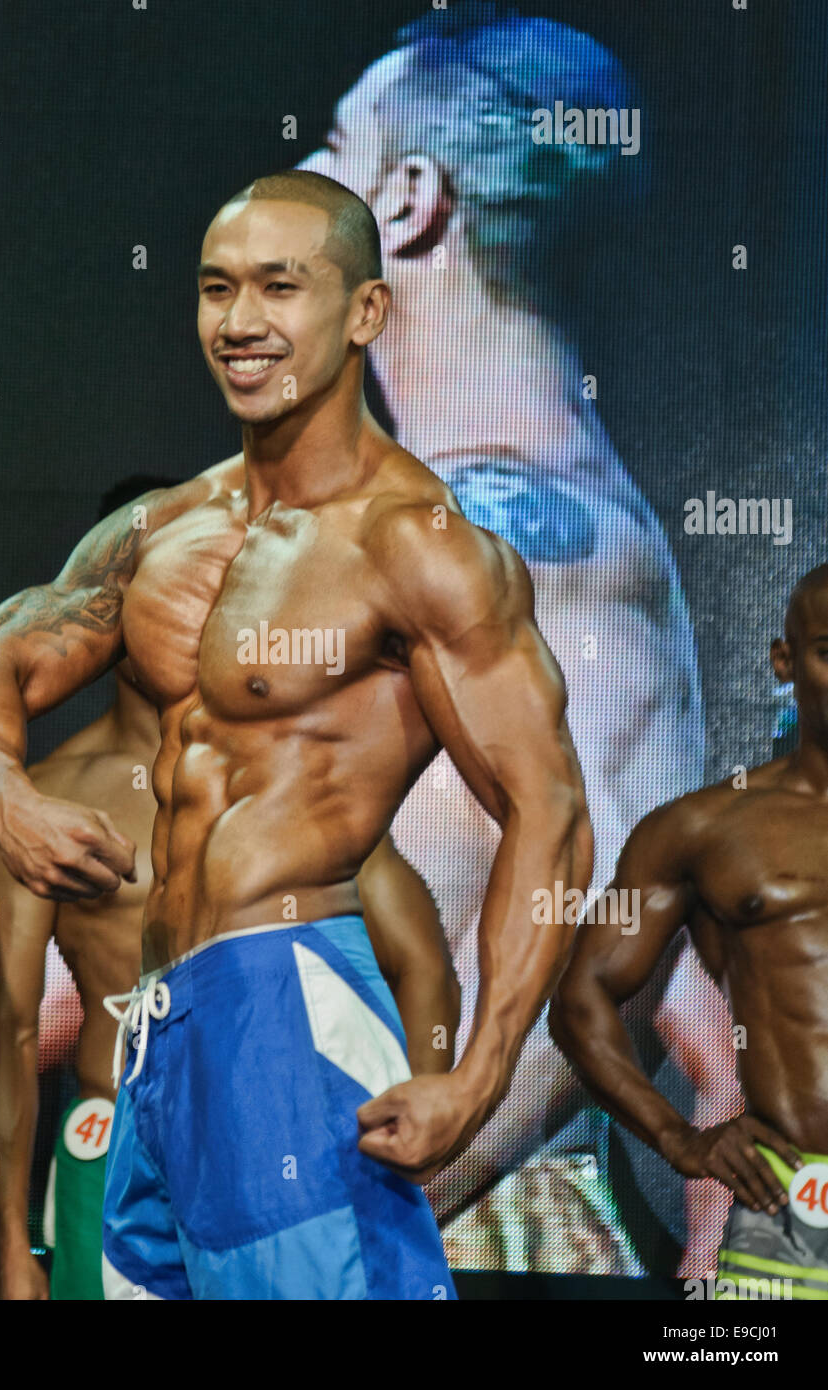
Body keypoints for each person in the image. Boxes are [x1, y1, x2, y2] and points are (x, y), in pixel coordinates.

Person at [0, 169, 591, 1300]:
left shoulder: (413, 544)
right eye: (215, 289)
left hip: (285, 1001)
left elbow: (552, 815)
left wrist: (478, 1077)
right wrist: (9, 793)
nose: (239, 324)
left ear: (365, 313)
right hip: (155, 1031)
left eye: (280, 288)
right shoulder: (160, 529)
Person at [299, 4, 736, 1270]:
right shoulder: (431, 510)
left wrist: (345, 1240)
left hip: (446, 1251)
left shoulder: (535, 539)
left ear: (410, 201)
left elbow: (600, 935)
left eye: (334, 151)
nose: (294, 190)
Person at [0, 485, 460, 1300]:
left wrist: (421, 1112)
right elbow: (8, 1027)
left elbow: (423, 964)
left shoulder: (283, 791)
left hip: (278, 1141)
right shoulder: (47, 796)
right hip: (115, 1144)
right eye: (166, 580)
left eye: (216, 582)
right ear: (113, 602)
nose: (193, 605)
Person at [550, 565, 828, 1299]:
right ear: (784, 660)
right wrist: (677, 1137)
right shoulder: (701, 829)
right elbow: (583, 1000)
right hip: (791, 1200)